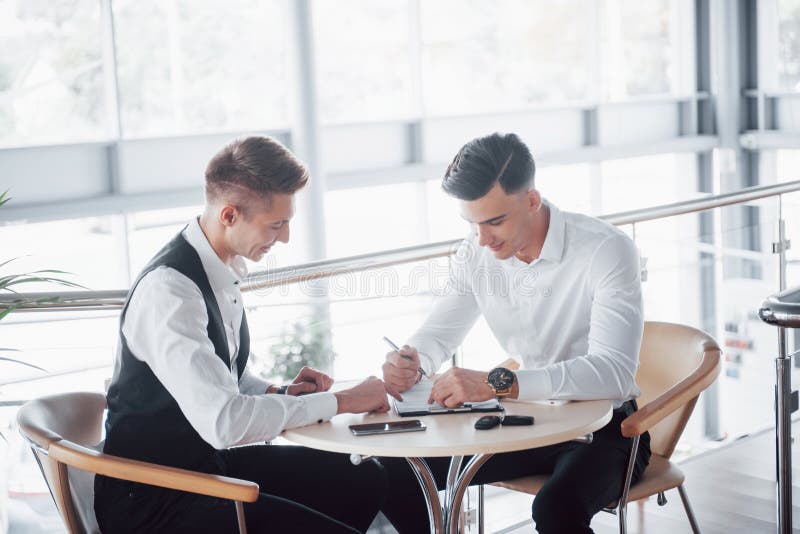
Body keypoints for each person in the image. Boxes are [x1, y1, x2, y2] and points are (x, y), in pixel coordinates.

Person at [95, 136, 391, 534]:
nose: (284, 237)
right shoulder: (170, 291)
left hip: (203, 468)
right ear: (230, 215)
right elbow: (225, 422)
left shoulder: (217, 268)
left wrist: (277, 393)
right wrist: (341, 401)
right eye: (277, 224)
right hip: (155, 500)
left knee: (362, 477)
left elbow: (224, 379)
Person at [380, 133, 651, 534]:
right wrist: (412, 360)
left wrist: (496, 383)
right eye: (472, 224)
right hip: (527, 420)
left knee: (556, 509)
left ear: (532, 201)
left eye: (494, 221)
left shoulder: (605, 250)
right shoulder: (476, 252)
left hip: (607, 429)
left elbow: (612, 374)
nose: (482, 239)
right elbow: (439, 331)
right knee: (392, 470)